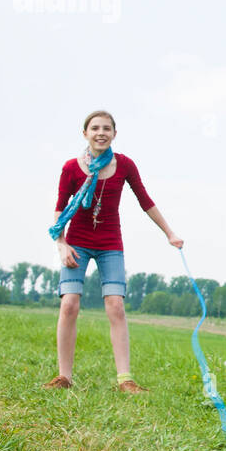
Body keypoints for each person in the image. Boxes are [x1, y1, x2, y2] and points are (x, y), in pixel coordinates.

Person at [47, 110, 182, 393]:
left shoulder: (125, 166)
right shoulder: (71, 168)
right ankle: (64, 377)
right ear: (85, 134)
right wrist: (61, 245)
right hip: (77, 243)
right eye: (95, 128)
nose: (101, 133)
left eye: (106, 128)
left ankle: (125, 380)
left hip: (110, 244)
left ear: (114, 134)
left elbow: (146, 201)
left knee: (116, 307)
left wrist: (170, 233)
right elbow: (60, 209)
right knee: (69, 303)